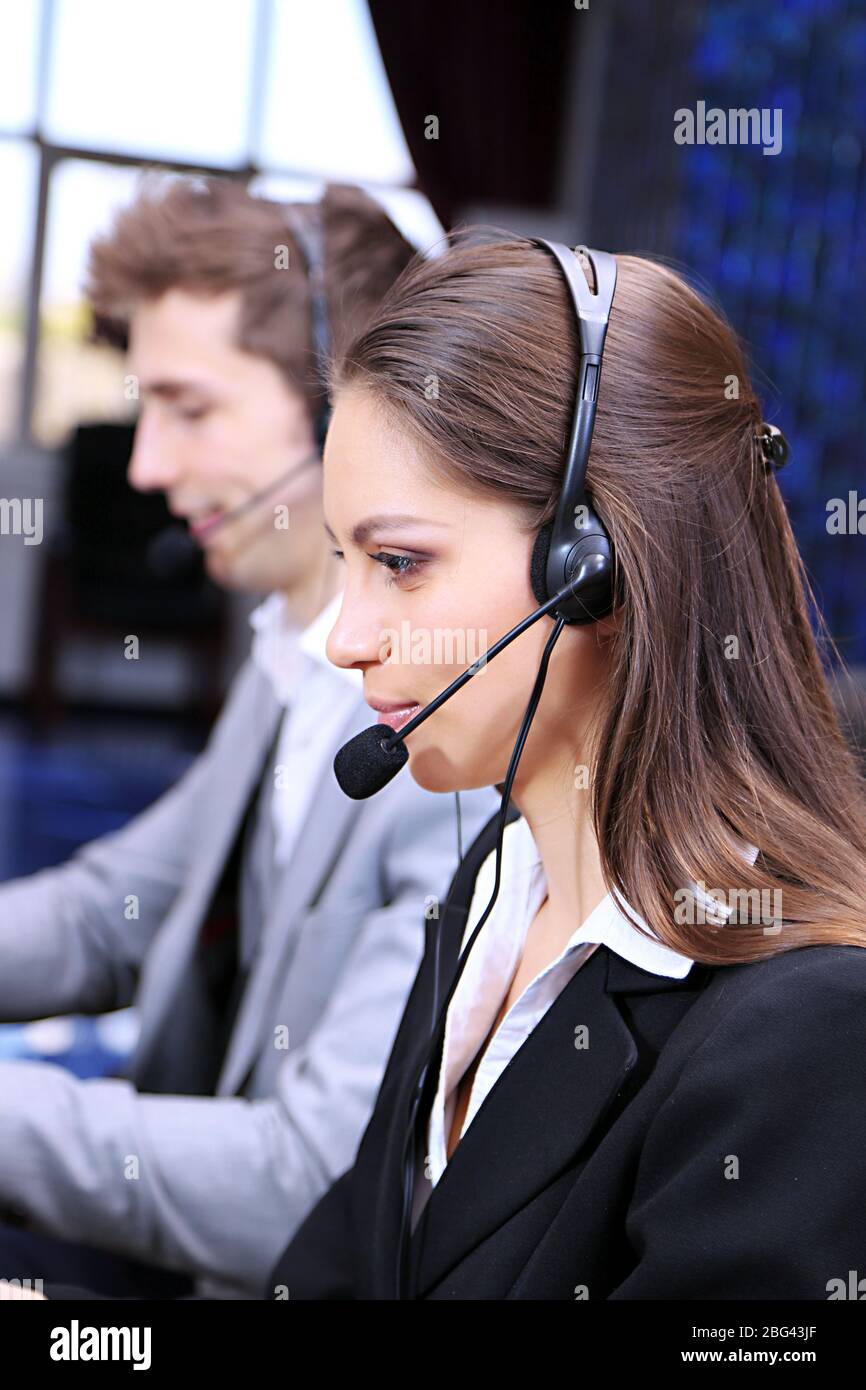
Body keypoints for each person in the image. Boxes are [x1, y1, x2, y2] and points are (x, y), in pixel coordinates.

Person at [270, 229, 866, 1299]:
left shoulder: (805, 1033)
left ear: (589, 565)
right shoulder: (496, 889)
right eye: (340, 563)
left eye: (399, 563)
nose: (343, 636)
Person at [0, 179, 497, 1299]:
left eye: (190, 408)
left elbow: (307, 1182)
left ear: (343, 415)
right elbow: (109, 910)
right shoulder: (287, 654)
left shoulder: (450, 747)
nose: (145, 467)